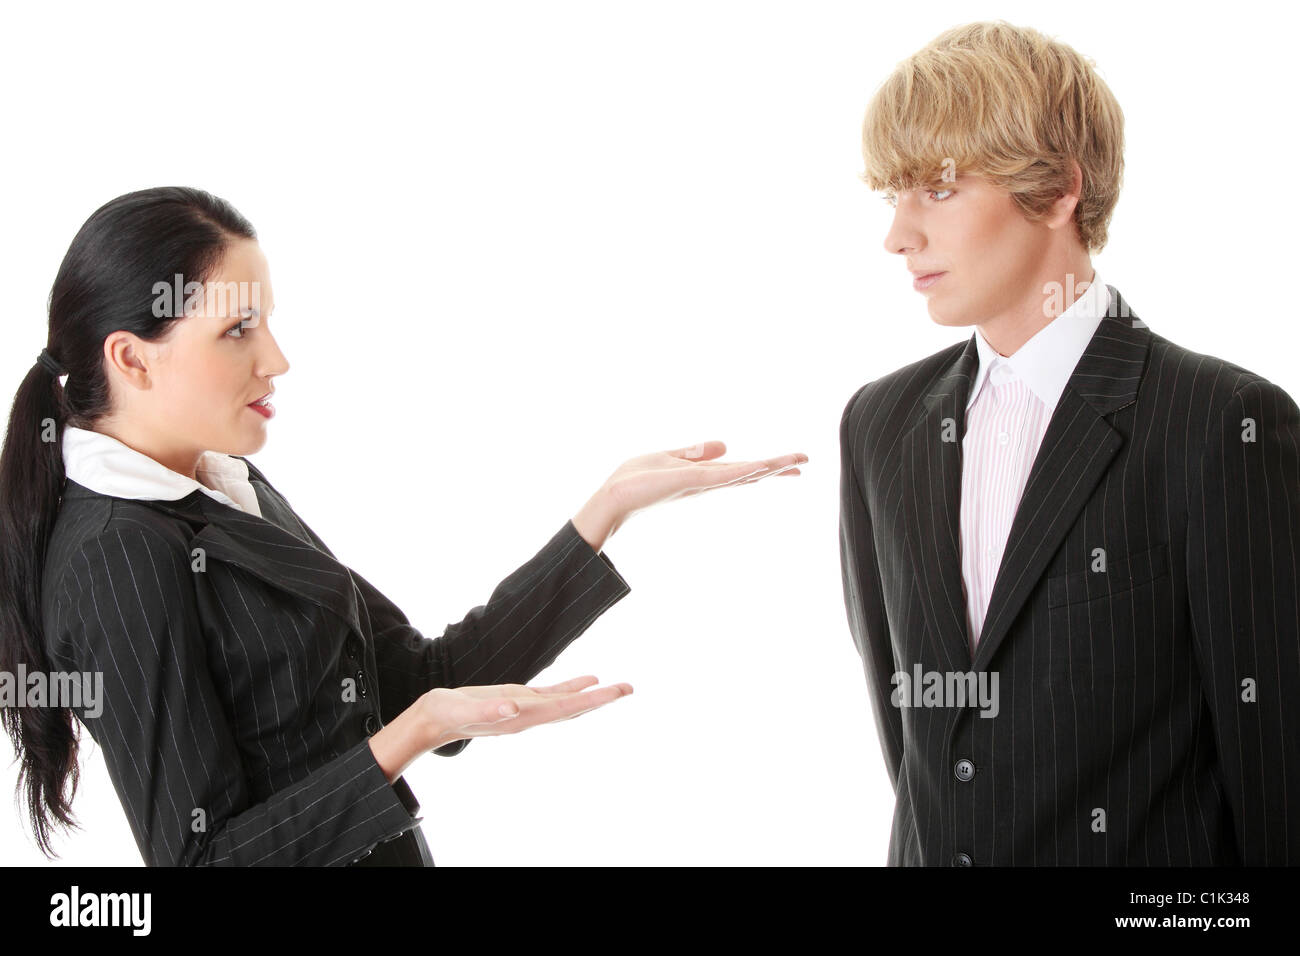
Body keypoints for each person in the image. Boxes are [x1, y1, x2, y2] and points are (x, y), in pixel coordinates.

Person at [0, 186, 807, 866]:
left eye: (268, 321)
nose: (277, 358)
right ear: (133, 360)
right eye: (238, 329)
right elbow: (202, 859)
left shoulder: (224, 483)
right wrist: (412, 736)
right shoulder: (115, 554)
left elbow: (417, 679)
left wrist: (604, 514)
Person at [838, 21, 1300, 865]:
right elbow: (917, 755)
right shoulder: (879, 424)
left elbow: (1278, 780)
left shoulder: (1221, 422)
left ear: (1056, 193)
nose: (897, 236)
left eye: (936, 190)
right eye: (890, 197)